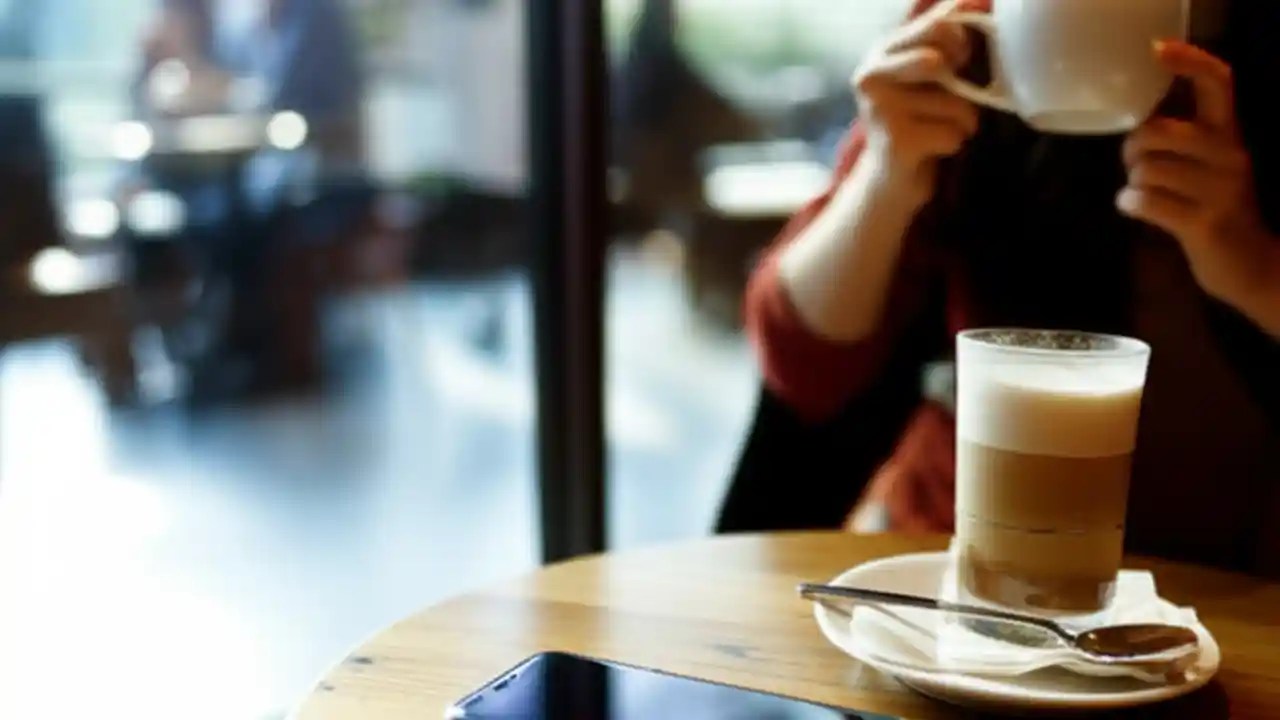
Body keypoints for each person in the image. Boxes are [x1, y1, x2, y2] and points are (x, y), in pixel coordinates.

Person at [734, 0, 1280, 577]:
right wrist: (885, 179)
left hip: (1229, 592)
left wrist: (1254, 267)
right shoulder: (972, 36)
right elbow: (801, 360)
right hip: (953, 562)